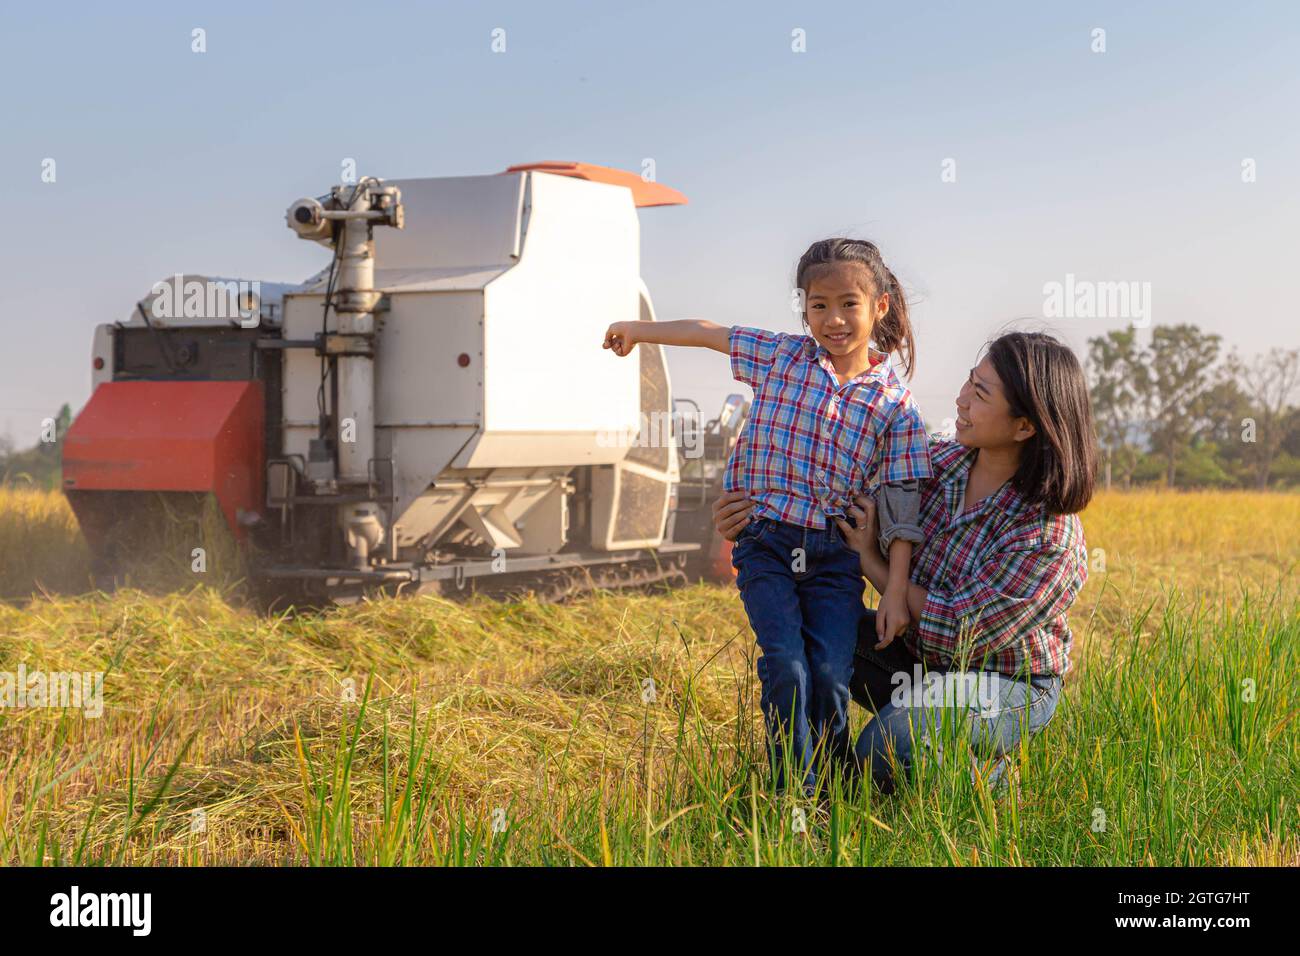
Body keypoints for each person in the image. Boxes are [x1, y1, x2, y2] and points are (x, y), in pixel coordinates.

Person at [604, 238, 930, 794]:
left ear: (879, 307)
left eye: (848, 303)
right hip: (766, 545)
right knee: (786, 665)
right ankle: (793, 795)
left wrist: (894, 591)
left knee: (829, 674)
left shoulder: (894, 404)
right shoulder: (781, 356)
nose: (833, 319)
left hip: (833, 557)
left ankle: (835, 789)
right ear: (803, 307)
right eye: (818, 304)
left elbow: (901, 507)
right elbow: (707, 333)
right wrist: (639, 331)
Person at [712, 331, 1098, 793]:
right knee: (815, 632)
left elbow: (958, 632)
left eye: (980, 394)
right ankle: (811, 782)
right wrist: (752, 511)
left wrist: (872, 565)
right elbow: (833, 500)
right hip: (916, 657)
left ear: (1024, 426)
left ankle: (994, 782)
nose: (960, 400)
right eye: (968, 382)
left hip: (1004, 681)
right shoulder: (934, 461)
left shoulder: (1047, 534)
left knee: (888, 746)